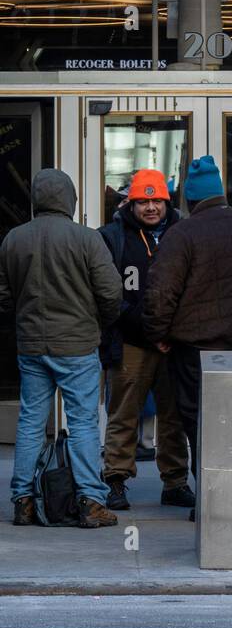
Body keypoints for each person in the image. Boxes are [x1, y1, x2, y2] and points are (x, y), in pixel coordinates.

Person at [142, 156, 232, 509]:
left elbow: (160, 292)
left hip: (194, 351)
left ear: (191, 198)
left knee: (201, 426)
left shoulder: (181, 233)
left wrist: (158, 333)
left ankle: (213, 502)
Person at [0, 169, 122, 528]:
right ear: (71, 199)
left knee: (30, 423)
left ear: (36, 200)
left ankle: (23, 499)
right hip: (78, 344)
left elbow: (4, 297)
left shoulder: (13, 239)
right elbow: (111, 292)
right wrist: (99, 321)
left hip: (32, 344)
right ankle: (90, 500)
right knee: (83, 422)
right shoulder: (86, 239)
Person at [99, 169, 194, 511]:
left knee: (174, 417)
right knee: (123, 414)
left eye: (157, 200)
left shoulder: (182, 234)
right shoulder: (112, 237)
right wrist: (146, 327)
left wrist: (172, 331)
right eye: (144, 201)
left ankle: (175, 483)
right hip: (130, 341)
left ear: (167, 201)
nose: (151, 207)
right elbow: (107, 293)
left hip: (172, 344)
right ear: (132, 202)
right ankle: (116, 480)